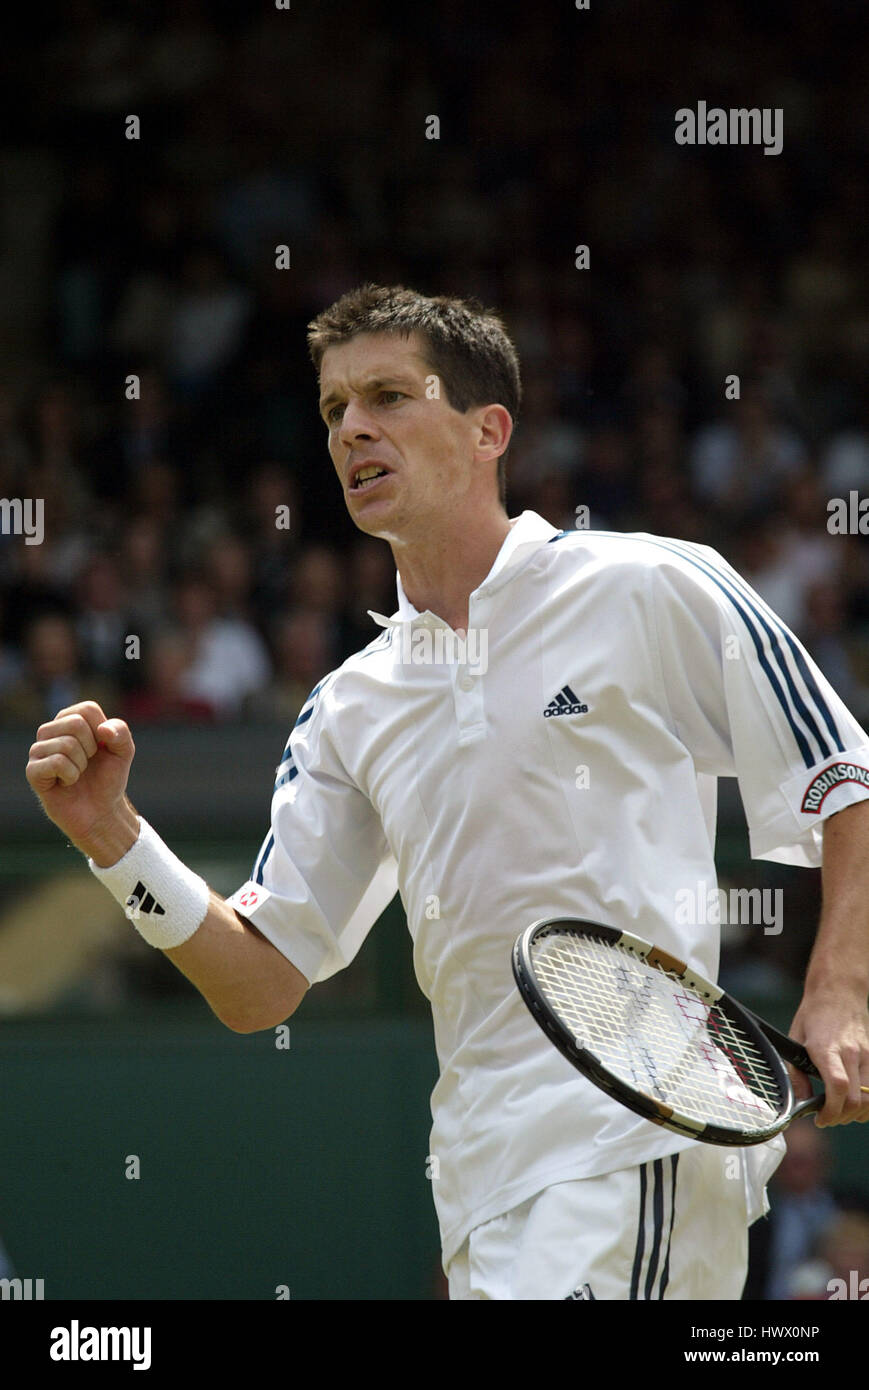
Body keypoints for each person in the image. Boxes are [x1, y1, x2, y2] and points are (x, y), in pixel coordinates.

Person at [25, 284, 869, 1300]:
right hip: (478, 1189)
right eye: (334, 408)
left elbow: (845, 775)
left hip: (635, 1138)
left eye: (387, 395)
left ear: (486, 430)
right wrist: (111, 837)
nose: (352, 429)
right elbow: (260, 984)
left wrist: (838, 992)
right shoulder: (348, 707)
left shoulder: (647, 584)